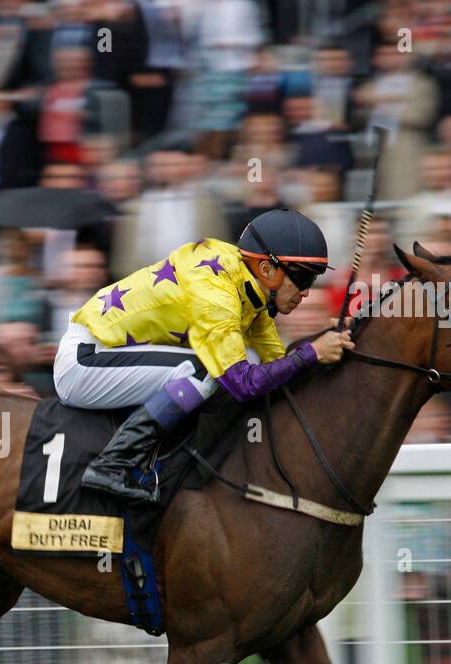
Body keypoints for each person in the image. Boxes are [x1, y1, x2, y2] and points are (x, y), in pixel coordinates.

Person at [54, 208, 354, 503]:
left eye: (312, 282)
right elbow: (243, 383)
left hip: (108, 355)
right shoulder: (217, 293)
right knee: (203, 372)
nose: (306, 293)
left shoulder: (250, 291)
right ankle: (111, 464)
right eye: (303, 280)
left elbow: (278, 365)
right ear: (267, 269)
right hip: (85, 361)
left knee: (223, 364)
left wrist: (319, 345)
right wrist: (311, 352)